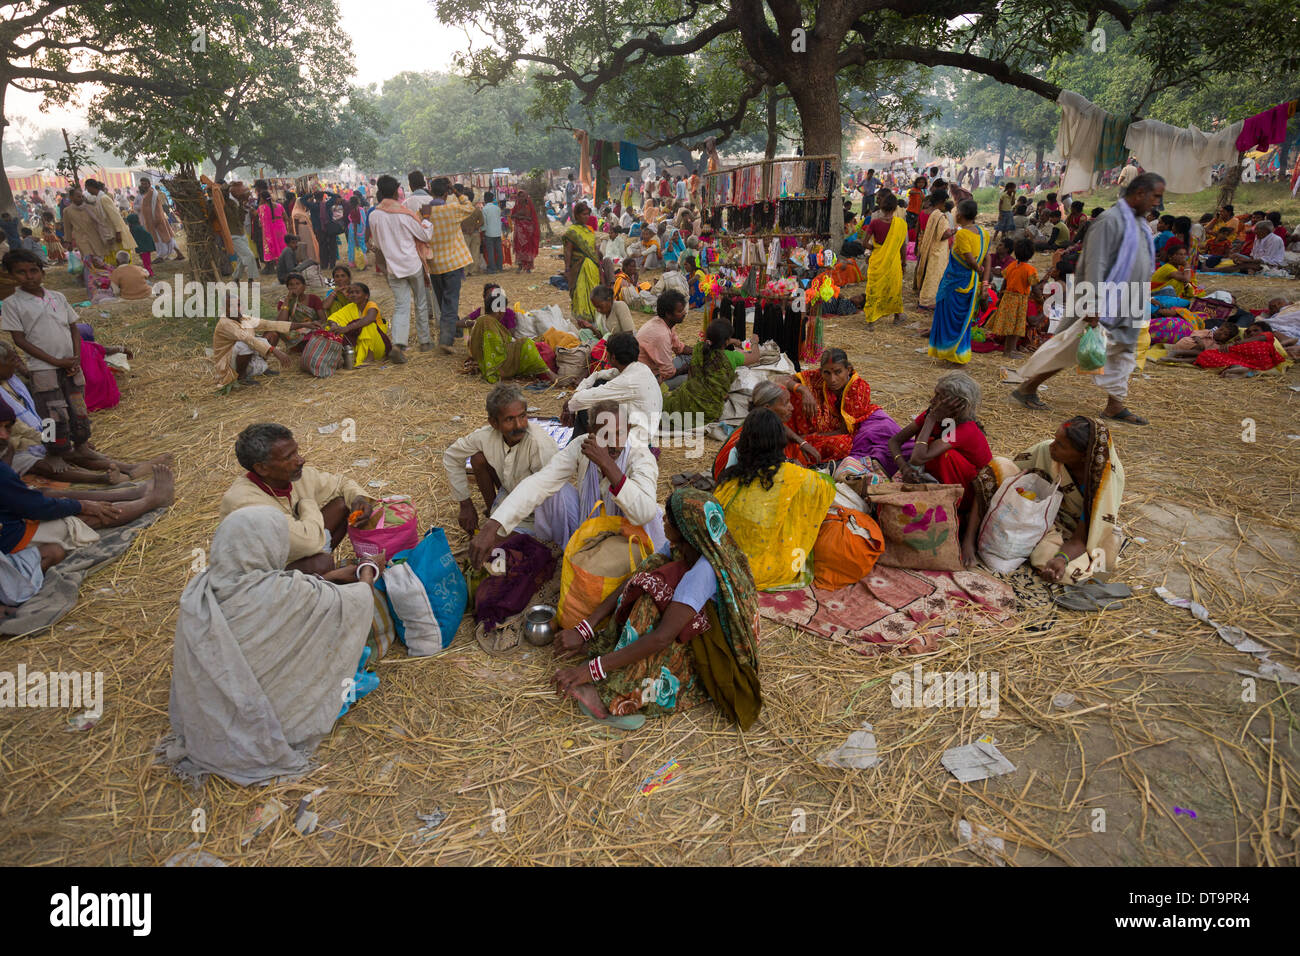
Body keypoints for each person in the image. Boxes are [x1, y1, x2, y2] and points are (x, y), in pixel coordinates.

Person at [166, 506, 393, 785]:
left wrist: (331, 577)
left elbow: (286, 590)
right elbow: (359, 603)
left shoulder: (198, 591)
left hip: (209, 720)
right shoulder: (286, 594)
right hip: (273, 724)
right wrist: (368, 569)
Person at [550, 487, 760, 728]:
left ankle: (614, 696)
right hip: (688, 620)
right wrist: (584, 629)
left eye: (669, 519)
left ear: (686, 530)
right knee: (647, 581)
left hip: (714, 650)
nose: (662, 520)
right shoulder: (685, 545)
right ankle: (609, 652)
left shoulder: (703, 571)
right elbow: (632, 582)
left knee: (649, 602)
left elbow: (662, 638)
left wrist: (591, 670)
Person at [1011, 172, 1164, 426]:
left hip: (1128, 299)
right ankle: (1027, 387)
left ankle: (1115, 405)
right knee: (1070, 347)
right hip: (1102, 300)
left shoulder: (1139, 224)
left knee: (1123, 351)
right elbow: (1095, 263)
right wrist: (1092, 305)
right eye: (1155, 196)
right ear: (1139, 194)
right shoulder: (1109, 221)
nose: (1157, 203)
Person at [0, 404, 174, 609]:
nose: (3, 434)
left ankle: (131, 493)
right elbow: (34, 507)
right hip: (10, 533)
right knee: (78, 519)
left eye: (7, 427)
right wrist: (80, 506)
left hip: (14, 511)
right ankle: (150, 501)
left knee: (49, 495)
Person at [468, 401, 663, 566]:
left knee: (648, 509)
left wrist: (607, 464)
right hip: (591, 526)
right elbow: (540, 483)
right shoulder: (582, 445)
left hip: (629, 536)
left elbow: (643, 513)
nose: (612, 442)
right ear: (590, 432)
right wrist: (493, 525)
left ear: (628, 430)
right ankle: (576, 551)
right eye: (604, 435)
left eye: (619, 434)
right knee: (551, 489)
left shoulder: (640, 455)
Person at [964, 417, 1124, 584]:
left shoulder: (1102, 483)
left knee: (1053, 564)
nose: (1051, 446)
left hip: (1065, 530)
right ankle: (973, 535)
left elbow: (1081, 538)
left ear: (1083, 456)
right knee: (999, 466)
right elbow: (1009, 483)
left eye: (1061, 445)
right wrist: (968, 540)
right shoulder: (1045, 451)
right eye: (1055, 439)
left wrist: (1062, 558)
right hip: (1034, 511)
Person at [220, 423, 373, 575]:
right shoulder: (244, 502)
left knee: (343, 504)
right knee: (321, 564)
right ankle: (321, 579)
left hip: (295, 547)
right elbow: (308, 543)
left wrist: (358, 498)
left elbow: (341, 483)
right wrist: (307, 503)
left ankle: (322, 576)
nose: (301, 460)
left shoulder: (292, 476)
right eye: (288, 457)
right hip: (263, 574)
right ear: (262, 468)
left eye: (296, 452)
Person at [715, 407, 836, 591]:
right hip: (768, 569)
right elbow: (827, 488)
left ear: (745, 441)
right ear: (780, 441)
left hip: (724, 562)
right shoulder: (795, 476)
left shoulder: (731, 478)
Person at [0, 249, 92, 456]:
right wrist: (55, 361)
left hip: (71, 365)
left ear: (43, 272)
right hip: (43, 368)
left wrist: (75, 358)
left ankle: (81, 444)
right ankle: (54, 451)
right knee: (51, 412)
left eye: (33, 270)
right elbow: (19, 340)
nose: (29, 276)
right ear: (11, 275)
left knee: (77, 406)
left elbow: (73, 328)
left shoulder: (58, 297)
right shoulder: (12, 304)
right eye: (21, 272)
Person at [443, 383, 560, 536]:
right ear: (494, 423)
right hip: (511, 493)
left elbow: (549, 496)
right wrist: (465, 504)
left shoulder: (540, 445)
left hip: (538, 509)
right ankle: (493, 511)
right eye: (509, 419)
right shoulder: (486, 436)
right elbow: (451, 456)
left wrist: (502, 523)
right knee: (478, 458)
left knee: (498, 544)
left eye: (522, 416)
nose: (519, 425)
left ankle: (501, 521)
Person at [888, 372, 992, 517]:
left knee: (945, 455)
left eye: (939, 397)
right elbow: (894, 441)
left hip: (967, 493)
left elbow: (918, 458)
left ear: (957, 405)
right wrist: (903, 467)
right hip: (935, 479)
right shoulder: (935, 415)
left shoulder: (964, 428)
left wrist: (930, 420)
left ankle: (948, 507)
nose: (932, 400)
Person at [788, 348, 906, 469]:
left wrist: (808, 439)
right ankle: (791, 440)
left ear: (848, 370)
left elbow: (845, 431)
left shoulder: (858, 387)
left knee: (841, 445)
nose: (832, 379)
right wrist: (803, 390)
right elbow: (781, 380)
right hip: (818, 430)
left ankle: (798, 450)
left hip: (845, 432)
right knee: (791, 393)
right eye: (827, 373)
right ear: (821, 371)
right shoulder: (818, 377)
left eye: (838, 372)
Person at [367, 174, 435, 364]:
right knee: (421, 302)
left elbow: (378, 243)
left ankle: (398, 344)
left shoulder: (374, 215)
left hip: (393, 268)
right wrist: (427, 218)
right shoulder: (404, 213)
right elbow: (424, 235)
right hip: (412, 264)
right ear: (397, 190)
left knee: (401, 306)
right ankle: (425, 342)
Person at [566, 332, 662, 444]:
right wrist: (575, 398)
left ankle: (580, 447)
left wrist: (571, 403)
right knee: (598, 384)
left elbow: (576, 402)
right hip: (643, 429)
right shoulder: (641, 368)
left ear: (613, 357)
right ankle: (578, 444)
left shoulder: (627, 381)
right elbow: (599, 374)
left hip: (635, 440)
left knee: (586, 408)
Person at [712, 379, 818, 480]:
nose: (792, 408)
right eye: (786, 403)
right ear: (767, 408)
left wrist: (801, 442)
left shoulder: (763, 425)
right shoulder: (757, 437)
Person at [928, 198, 991, 365]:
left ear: (960, 215)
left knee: (949, 318)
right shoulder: (983, 233)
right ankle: (959, 355)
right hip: (972, 284)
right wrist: (984, 282)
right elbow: (987, 258)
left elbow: (970, 259)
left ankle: (951, 355)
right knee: (963, 321)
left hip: (956, 284)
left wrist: (977, 269)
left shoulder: (962, 233)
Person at [424, 178, 476, 353]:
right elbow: (470, 207)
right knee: (450, 301)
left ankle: (457, 330)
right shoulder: (452, 209)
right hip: (452, 263)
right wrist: (459, 193)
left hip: (434, 265)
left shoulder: (423, 212)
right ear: (447, 193)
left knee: (442, 301)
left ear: (431, 192)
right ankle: (446, 340)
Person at [464, 283, 552, 384]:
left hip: (489, 360)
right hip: (496, 366)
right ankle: (550, 375)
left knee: (528, 343)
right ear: (500, 311)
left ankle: (547, 374)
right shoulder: (488, 322)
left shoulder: (484, 320)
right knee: (526, 343)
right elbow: (497, 349)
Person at [986, 238, 1039, 355]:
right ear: (1030, 255)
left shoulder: (1012, 265)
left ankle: (1008, 350)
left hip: (1007, 298)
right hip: (1019, 300)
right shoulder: (1030, 270)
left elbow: (1005, 280)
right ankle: (1010, 350)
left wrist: (1000, 296)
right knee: (1016, 327)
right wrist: (1040, 299)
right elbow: (1035, 287)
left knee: (1010, 326)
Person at [862, 191, 908, 324]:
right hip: (893, 263)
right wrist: (904, 263)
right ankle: (897, 316)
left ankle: (871, 321)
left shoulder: (874, 223)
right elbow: (903, 246)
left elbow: (864, 243)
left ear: (881, 206)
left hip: (877, 261)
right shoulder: (901, 224)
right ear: (895, 208)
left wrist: (875, 248)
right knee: (894, 288)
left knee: (874, 290)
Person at [637, 289, 693, 388]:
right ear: (668, 314)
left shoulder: (666, 323)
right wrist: (683, 370)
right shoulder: (661, 335)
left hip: (660, 369)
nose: (684, 313)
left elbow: (678, 348)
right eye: (680, 311)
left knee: (690, 357)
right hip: (651, 378)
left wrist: (699, 350)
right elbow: (668, 373)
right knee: (694, 379)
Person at [325, 282, 390, 365]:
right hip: (357, 343)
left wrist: (347, 328)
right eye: (351, 292)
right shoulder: (350, 307)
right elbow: (334, 318)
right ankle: (344, 357)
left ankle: (369, 358)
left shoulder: (371, 305)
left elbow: (369, 319)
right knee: (330, 329)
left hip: (377, 344)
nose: (353, 295)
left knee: (369, 325)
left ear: (366, 296)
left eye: (357, 292)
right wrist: (334, 326)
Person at [1193, 320, 1286, 375]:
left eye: (1256, 330)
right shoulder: (1244, 344)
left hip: (1258, 360)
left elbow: (1259, 337)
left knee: (1207, 354)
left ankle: (1241, 369)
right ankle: (1241, 370)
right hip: (1246, 362)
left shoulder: (1267, 337)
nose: (1252, 333)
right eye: (1249, 332)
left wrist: (1235, 344)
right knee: (1207, 355)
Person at [563, 202, 603, 328]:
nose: (586, 217)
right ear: (576, 215)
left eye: (588, 214)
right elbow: (568, 251)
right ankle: (581, 319)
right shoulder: (571, 232)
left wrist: (598, 264)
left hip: (592, 268)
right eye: (583, 214)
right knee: (580, 292)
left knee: (593, 292)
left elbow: (595, 249)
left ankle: (594, 317)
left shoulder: (590, 230)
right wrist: (567, 268)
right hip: (578, 267)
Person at [913, 191, 953, 310]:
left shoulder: (932, 214)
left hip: (929, 247)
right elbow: (943, 234)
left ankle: (925, 299)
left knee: (928, 274)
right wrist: (954, 231)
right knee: (934, 276)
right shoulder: (940, 216)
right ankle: (928, 301)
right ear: (941, 202)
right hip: (937, 250)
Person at [59, 187, 114, 262]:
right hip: (81, 239)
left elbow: (100, 223)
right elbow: (67, 228)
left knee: (99, 259)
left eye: (82, 196)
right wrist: (69, 242)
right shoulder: (67, 211)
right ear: (71, 197)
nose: (81, 198)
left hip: (95, 237)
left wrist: (108, 236)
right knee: (88, 259)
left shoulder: (90, 208)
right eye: (78, 197)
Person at [136, 178, 181, 261]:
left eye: (145, 184)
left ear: (149, 184)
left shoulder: (152, 193)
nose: (143, 186)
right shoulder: (147, 193)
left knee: (161, 238)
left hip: (156, 220)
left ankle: (160, 256)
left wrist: (157, 219)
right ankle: (179, 254)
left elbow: (158, 208)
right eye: (142, 184)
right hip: (152, 220)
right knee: (167, 237)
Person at [223, 182, 261, 281]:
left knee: (241, 258)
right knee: (249, 256)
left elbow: (240, 219)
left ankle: (235, 279)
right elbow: (232, 217)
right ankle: (251, 279)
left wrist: (244, 206)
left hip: (241, 233)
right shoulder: (225, 204)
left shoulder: (237, 202)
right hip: (233, 235)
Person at [83, 179, 128, 259]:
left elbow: (115, 216)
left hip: (114, 233)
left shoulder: (103, 198)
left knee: (119, 257)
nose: (87, 191)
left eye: (87, 188)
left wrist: (118, 233)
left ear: (91, 187)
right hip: (108, 233)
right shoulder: (98, 199)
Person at [257, 191, 289, 275]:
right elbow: (286, 217)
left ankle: (275, 267)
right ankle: (285, 265)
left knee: (273, 247)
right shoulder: (279, 205)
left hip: (269, 231)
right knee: (282, 245)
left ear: (263, 199)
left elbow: (260, 224)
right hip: (281, 228)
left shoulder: (261, 208)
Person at [511, 190, 541, 273]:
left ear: (526, 197)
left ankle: (528, 267)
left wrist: (526, 218)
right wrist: (517, 215)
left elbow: (533, 218)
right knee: (519, 248)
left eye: (523, 196)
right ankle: (520, 266)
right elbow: (512, 216)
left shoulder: (529, 206)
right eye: (519, 196)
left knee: (528, 248)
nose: (521, 198)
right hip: (519, 231)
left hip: (528, 231)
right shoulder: (516, 206)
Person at [480, 192, 504, 273]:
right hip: (497, 232)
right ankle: (500, 267)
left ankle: (492, 269)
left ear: (485, 199)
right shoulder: (497, 208)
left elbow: (484, 222)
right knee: (499, 250)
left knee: (490, 251)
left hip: (489, 233)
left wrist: (483, 232)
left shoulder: (484, 209)